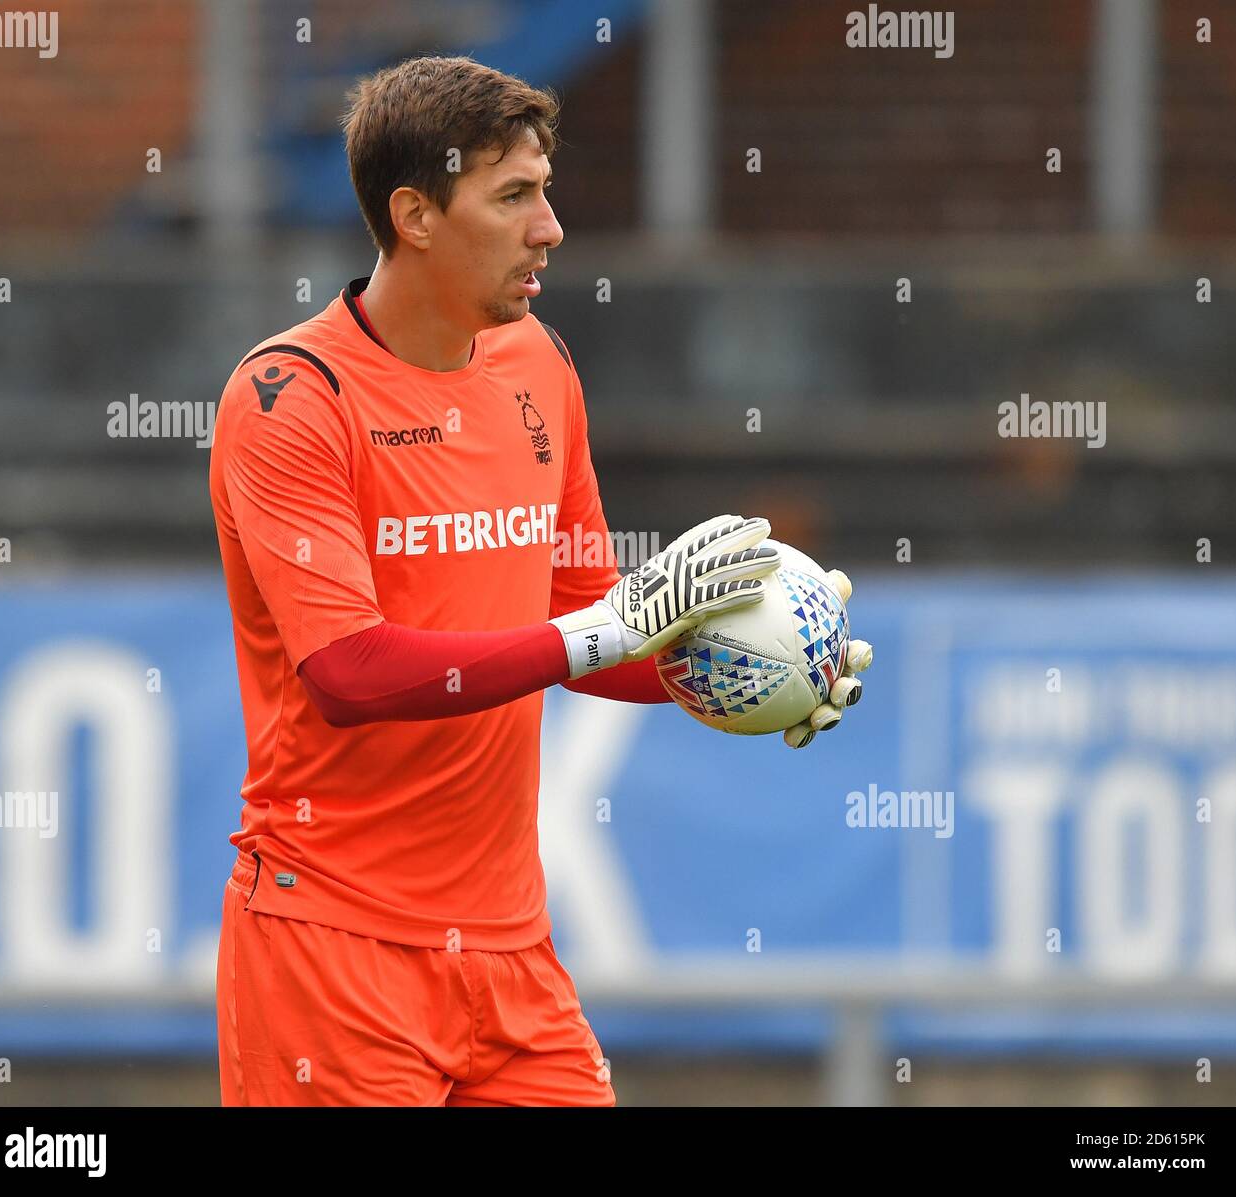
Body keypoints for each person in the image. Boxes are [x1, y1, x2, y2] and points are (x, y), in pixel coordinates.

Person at [209, 54, 866, 1106]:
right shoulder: (292, 395)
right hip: (334, 945)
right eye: (513, 196)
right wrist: (602, 635)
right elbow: (347, 673)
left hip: (512, 952)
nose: (550, 228)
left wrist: (750, 667)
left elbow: (588, 625)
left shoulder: (539, 363)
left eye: (545, 192)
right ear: (415, 216)